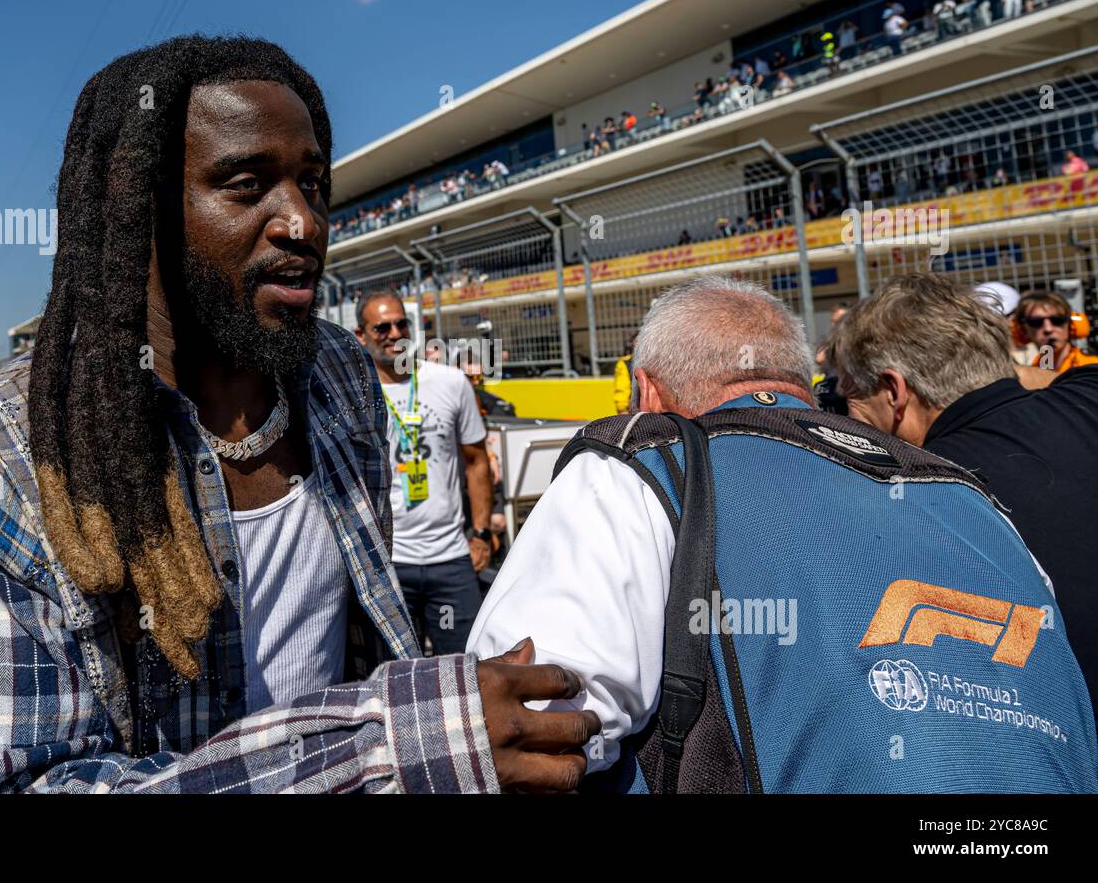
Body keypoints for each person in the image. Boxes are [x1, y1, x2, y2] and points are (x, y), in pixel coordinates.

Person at [0, 36, 596, 794]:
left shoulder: (339, 374)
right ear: (138, 211)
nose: (301, 221)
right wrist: (388, 750)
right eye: (246, 185)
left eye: (311, 182)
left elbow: (365, 653)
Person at [468, 275, 1098, 792]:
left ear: (645, 392)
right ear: (798, 381)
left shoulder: (640, 465)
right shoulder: (972, 495)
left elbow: (526, 728)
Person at [828, 273, 1098, 711]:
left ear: (895, 391)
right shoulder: (1086, 390)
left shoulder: (906, 496)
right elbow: (1038, 377)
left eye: (852, 395)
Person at [353, 291, 494, 656]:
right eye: (382, 327)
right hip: (389, 563)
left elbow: (477, 460)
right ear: (361, 335)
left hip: (450, 558)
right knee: (392, 676)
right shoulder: (353, 395)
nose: (395, 333)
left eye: (402, 324)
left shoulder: (449, 382)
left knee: (461, 671)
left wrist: (479, 534)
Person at [1014, 290, 1098, 374]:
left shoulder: (1091, 367)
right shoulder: (1034, 371)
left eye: (1057, 320)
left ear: (1071, 325)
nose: (1048, 329)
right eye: (1036, 322)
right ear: (1023, 330)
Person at [613, 332, 638, 414]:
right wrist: (622, 410)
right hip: (633, 412)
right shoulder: (625, 363)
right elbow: (622, 390)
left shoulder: (655, 361)